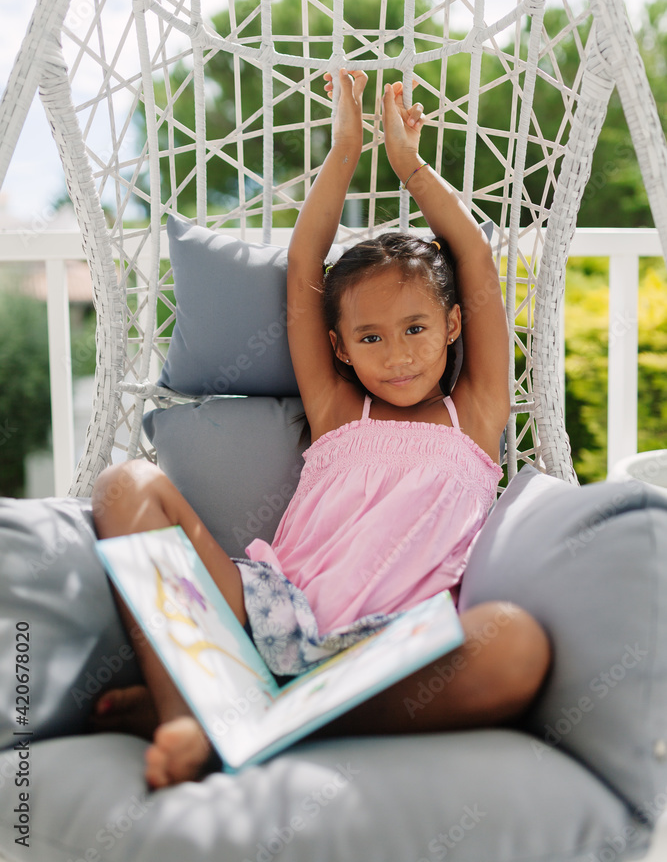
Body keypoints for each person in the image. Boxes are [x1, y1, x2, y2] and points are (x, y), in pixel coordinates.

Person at [92, 68, 551, 788]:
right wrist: (343, 152)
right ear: (338, 347)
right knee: (128, 484)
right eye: (369, 339)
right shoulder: (338, 408)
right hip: (267, 612)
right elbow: (305, 261)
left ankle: (254, 719)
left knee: (517, 648)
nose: (397, 355)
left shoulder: (477, 414)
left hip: (390, 656)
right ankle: (186, 710)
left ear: (452, 323)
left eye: (416, 329)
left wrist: (411, 167)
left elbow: (475, 260)